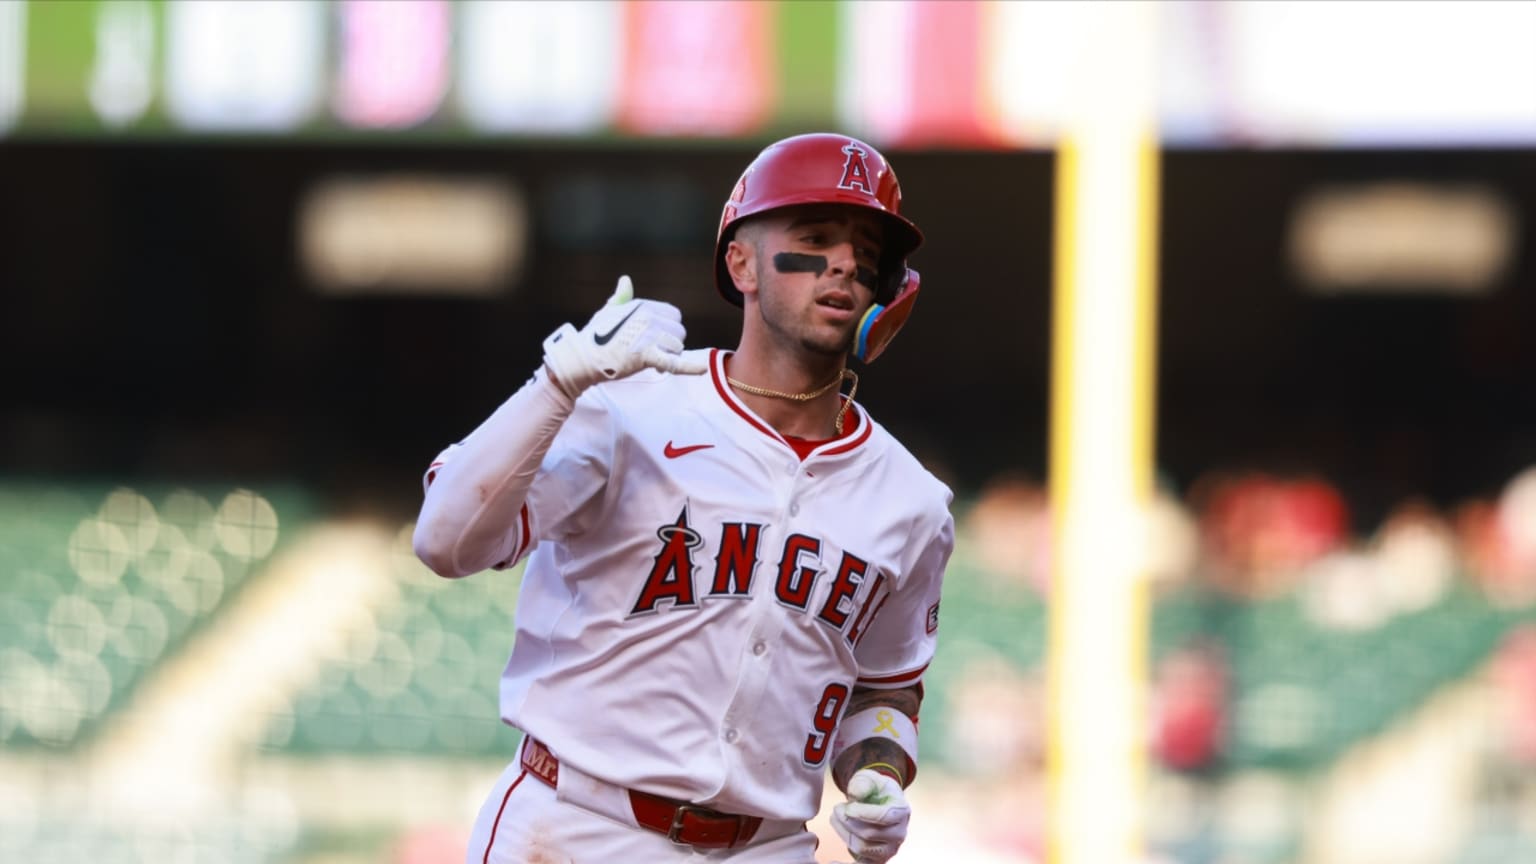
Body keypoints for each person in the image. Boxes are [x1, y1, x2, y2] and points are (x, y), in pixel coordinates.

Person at [413, 132, 954, 864]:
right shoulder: (628, 403)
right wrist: (560, 381)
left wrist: (879, 775)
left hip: (767, 848)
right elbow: (444, 544)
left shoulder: (910, 501)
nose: (846, 264)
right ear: (742, 261)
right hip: (576, 827)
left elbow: (885, 692)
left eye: (868, 251)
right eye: (815, 237)